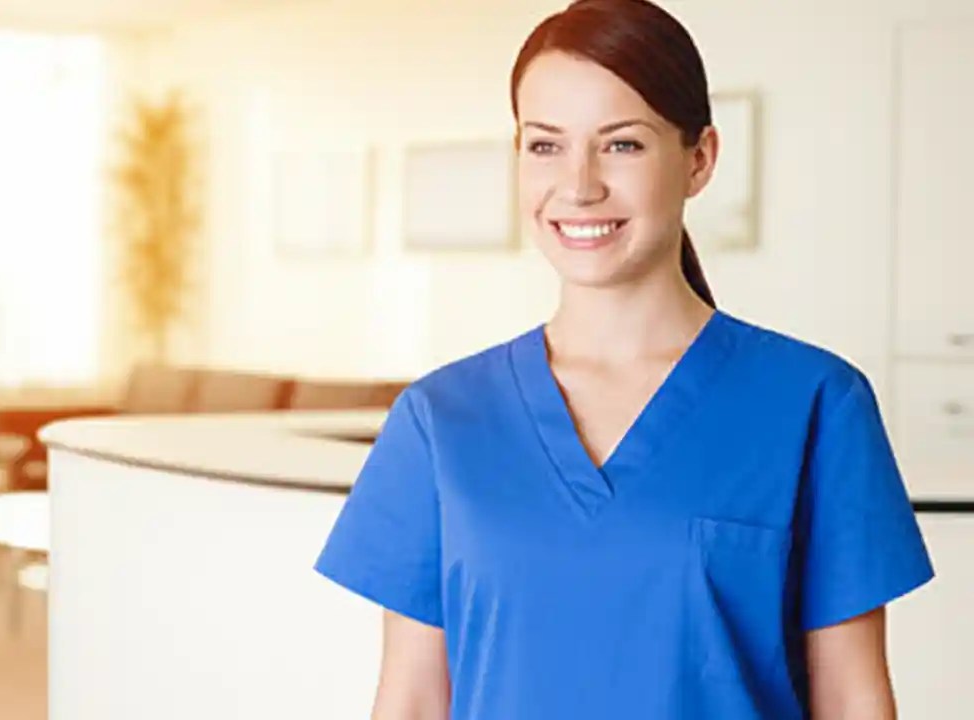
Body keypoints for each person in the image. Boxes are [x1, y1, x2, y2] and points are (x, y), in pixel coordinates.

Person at [312, 0, 936, 717]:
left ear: (699, 158)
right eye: (545, 145)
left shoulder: (816, 403)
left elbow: (855, 702)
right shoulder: (439, 422)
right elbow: (414, 701)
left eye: (623, 145)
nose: (579, 185)